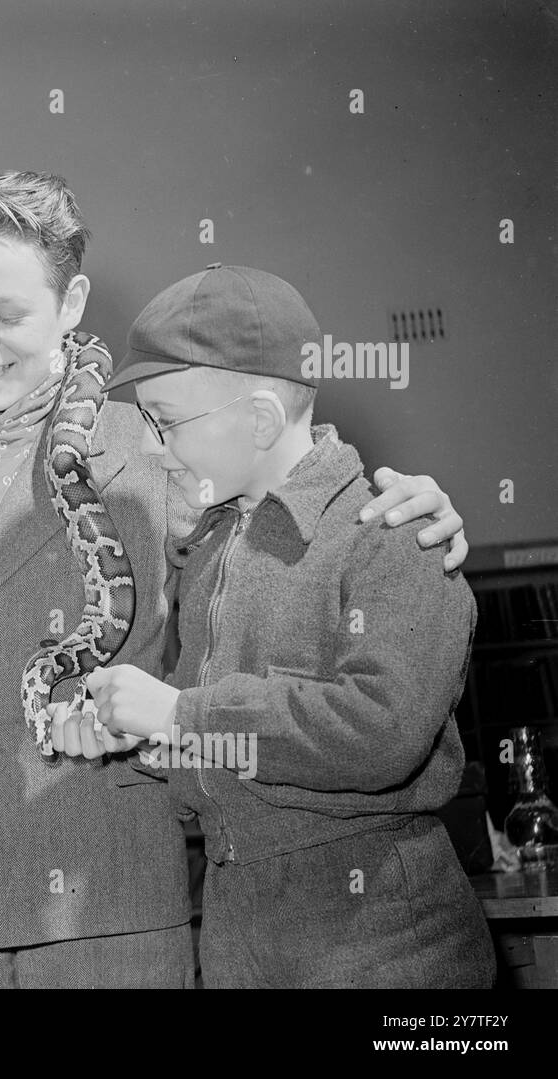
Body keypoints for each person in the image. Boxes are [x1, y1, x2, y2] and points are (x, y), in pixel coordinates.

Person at [0, 172, 471, 988]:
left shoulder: (158, 439)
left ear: (71, 304)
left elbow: (282, 487)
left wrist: (415, 509)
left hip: (103, 896)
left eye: (7, 313)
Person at [77, 264, 494, 987]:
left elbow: (379, 732)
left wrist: (180, 713)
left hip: (382, 950)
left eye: (166, 421)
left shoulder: (392, 534)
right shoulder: (211, 549)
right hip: (243, 941)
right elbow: (218, 761)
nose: (153, 447)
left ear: (262, 419)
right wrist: (138, 738)